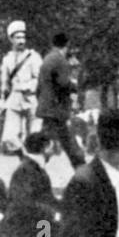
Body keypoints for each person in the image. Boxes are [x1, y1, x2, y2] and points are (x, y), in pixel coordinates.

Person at [36, 32, 85, 169]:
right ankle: (83, 174)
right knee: (70, 144)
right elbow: (64, 84)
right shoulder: (60, 60)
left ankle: (34, 169)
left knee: (45, 142)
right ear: (67, 45)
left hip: (46, 108)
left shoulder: (46, 59)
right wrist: (74, 86)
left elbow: (39, 87)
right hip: (57, 110)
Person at [0, 21, 42, 154]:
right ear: (11, 39)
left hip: (31, 97)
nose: (21, 41)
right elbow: (5, 83)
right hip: (14, 98)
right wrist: (2, 100)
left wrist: (28, 86)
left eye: (23, 37)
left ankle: (34, 155)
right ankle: (24, 154)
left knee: (35, 132)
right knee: (9, 136)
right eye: (17, 38)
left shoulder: (33, 57)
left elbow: (39, 78)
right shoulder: (7, 59)